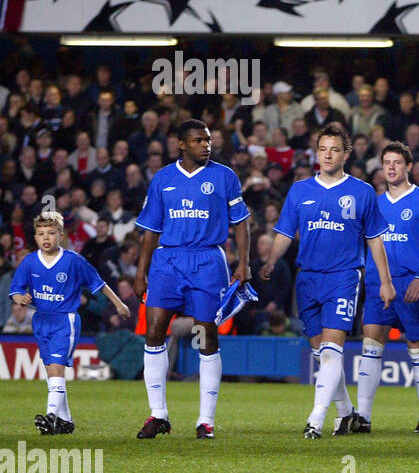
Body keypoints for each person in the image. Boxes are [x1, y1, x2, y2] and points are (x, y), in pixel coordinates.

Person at [261, 122, 396, 438]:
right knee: (321, 351)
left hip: (344, 277)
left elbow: (376, 240)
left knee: (333, 349)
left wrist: (386, 282)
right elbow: (283, 233)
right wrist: (270, 260)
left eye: (335, 149)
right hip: (307, 278)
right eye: (323, 149)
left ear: (346, 153)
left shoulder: (362, 192)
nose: (328, 155)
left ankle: (315, 420)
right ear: (316, 152)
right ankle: (347, 412)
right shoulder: (300, 190)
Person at [134, 120, 251, 440]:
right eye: (199, 140)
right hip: (167, 260)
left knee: (206, 335)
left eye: (208, 140)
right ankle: (158, 414)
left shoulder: (224, 176)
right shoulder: (163, 179)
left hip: (207, 260)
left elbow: (241, 223)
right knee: (154, 330)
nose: (206, 145)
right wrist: (140, 272)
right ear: (181, 145)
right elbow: (150, 230)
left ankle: (205, 420)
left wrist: (244, 263)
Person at [9, 211, 131, 435]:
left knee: (56, 369)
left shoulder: (73, 261)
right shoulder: (29, 262)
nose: (46, 238)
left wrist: (119, 304)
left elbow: (99, 284)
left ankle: (51, 417)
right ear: (35, 237)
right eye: (41, 233)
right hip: (41, 321)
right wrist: (21, 298)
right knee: (51, 372)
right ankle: (65, 420)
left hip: (65, 320)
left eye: (51, 233)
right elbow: (15, 290)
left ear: (60, 235)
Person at [352, 142, 419, 434]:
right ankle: (362, 415)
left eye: (397, 162)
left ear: (409, 167)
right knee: (370, 346)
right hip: (379, 285)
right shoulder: (373, 202)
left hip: (412, 285)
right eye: (386, 162)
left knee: (418, 348)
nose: (390, 167)